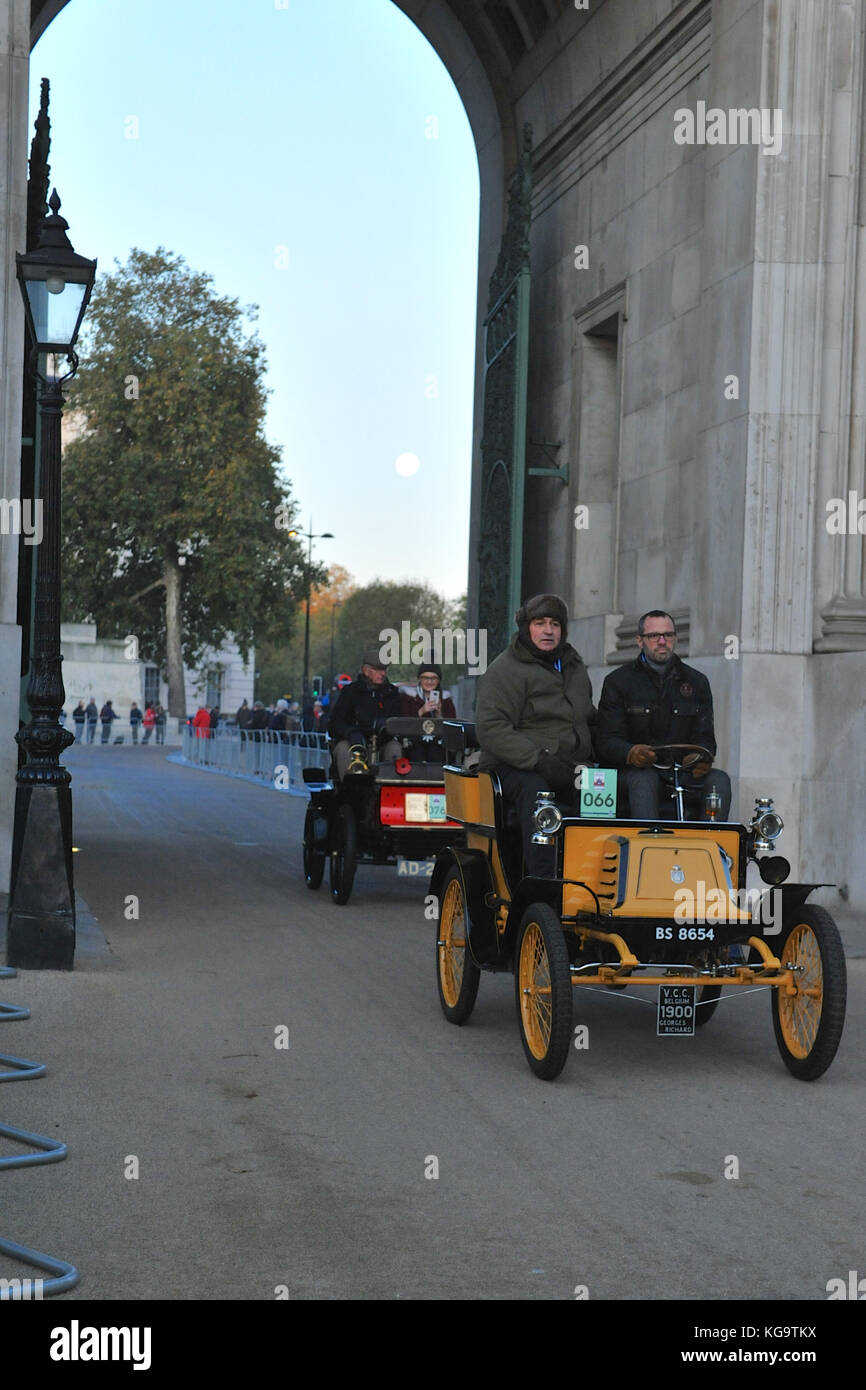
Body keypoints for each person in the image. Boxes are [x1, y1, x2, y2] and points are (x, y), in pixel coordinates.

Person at [475, 593, 596, 877]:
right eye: (540, 623)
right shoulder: (505, 669)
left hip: (571, 764)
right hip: (515, 766)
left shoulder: (574, 665)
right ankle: (541, 884)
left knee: (607, 790)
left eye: (555, 624)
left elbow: (588, 716)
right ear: (526, 628)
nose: (548, 630)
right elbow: (490, 727)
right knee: (538, 791)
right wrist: (538, 760)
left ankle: (593, 881)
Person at [595, 609, 731, 820]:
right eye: (654, 636)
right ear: (640, 641)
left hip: (680, 772)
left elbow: (705, 737)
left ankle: (711, 847)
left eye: (668, 635)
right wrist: (630, 752)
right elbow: (605, 741)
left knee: (719, 780)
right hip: (632, 772)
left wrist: (701, 756)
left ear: (675, 638)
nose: (661, 641)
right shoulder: (618, 682)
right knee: (644, 779)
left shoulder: (697, 682)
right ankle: (649, 846)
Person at [327, 648, 402, 778]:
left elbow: (399, 721)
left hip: (382, 743)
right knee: (343, 749)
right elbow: (334, 724)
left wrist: (386, 726)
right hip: (355, 742)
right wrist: (351, 733)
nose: (383, 673)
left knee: (394, 747)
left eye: (384, 670)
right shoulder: (350, 692)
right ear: (366, 671)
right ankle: (349, 786)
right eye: (378, 670)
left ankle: (390, 786)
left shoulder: (392, 693)